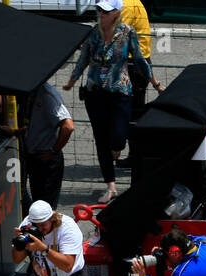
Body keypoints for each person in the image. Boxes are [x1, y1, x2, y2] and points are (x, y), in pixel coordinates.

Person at [63, 0, 162, 205]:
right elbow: (83, 59)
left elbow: (142, 61)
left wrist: (156, 83)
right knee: (101, 139)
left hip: (120, 91)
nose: (101, 14)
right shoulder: (93, 33)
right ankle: (111, 187)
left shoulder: (127, 32)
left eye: (106, 11)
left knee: (118, 137)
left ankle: (118, 149)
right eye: (99, 10)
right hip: (95, 92)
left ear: (117, 13)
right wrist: (71, 81)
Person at [12, 200, 84, 276]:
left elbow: (68, 266)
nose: (39, 229)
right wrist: (19, 244)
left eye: (43, 225)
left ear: (52, 219)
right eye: (36, 225)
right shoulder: (27, 224)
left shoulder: (68, 228)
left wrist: (43, 249)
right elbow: (17, 259)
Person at [22, 83, 75, 209]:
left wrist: (53, 151)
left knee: (45, 207)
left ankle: (47, 227)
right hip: (32, 154)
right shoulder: (28, 90)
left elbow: (68, 126)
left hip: (46, 157)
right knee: (34, 200)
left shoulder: (47, 94)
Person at [120, 0, 154, 166]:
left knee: (130, 113)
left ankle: (137, 155)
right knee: (134, 112)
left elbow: (118, 36)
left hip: (133, 65)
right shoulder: (133, 2)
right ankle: (136, 154)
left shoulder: (126, 5)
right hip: (139, 63)